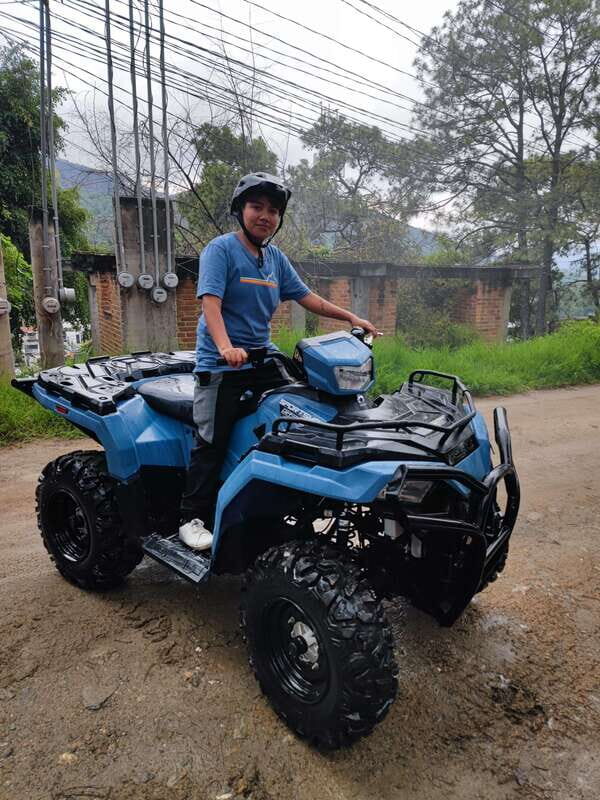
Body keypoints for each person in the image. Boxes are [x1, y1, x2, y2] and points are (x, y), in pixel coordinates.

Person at [179, 172, 379, 550]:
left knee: (308, 406)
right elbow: (211, 305)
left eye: (273, 211)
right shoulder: (221, 250)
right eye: (257, 207)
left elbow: (309, 298)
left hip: (262, 358)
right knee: (211, 438)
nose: (265, 216)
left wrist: (351, 317)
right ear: (240, 210)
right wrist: (225, 347)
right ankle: (192, 517)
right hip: (221, 365)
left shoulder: (274, 259)